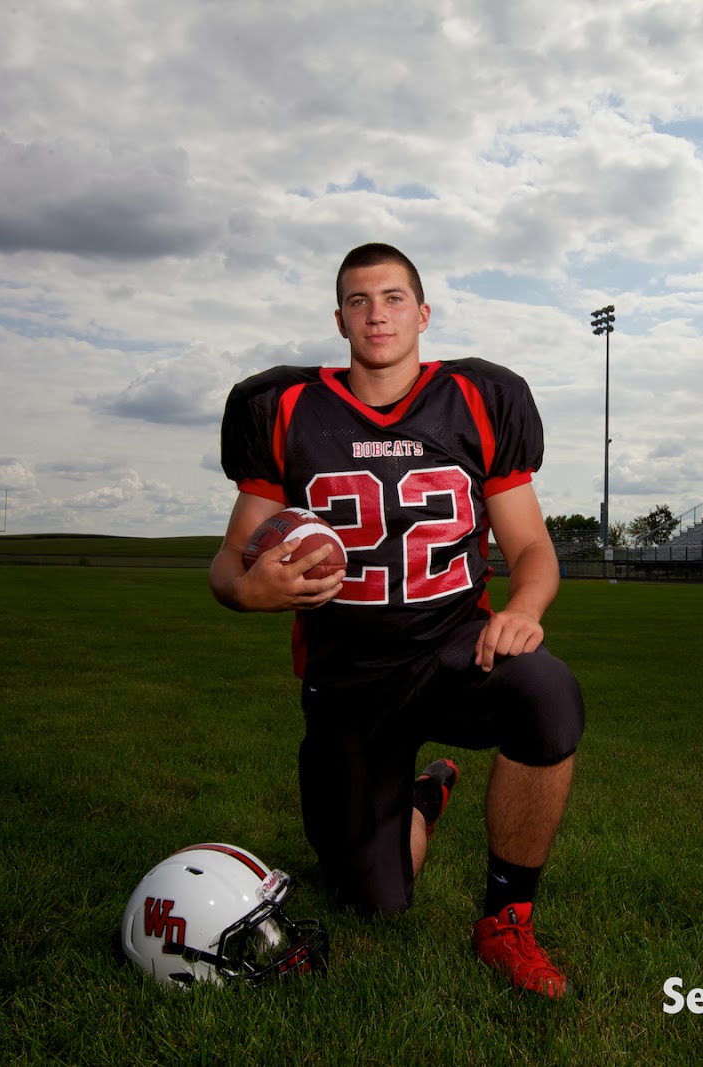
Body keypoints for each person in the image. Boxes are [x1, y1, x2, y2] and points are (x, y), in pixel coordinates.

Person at [209, 243, 584, 997]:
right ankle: (424, 793)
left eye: (391, 297)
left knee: (548, 695)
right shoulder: (283, 408)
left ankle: (506, 919)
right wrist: (248, 591)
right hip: (348, 676)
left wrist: (524, 608)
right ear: (340, 317)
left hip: (453, 650)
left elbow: (533, 546)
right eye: (358, 300)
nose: (376, 313)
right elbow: (229, 558)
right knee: (372, 899)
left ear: (422, 313)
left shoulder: (478, 398)